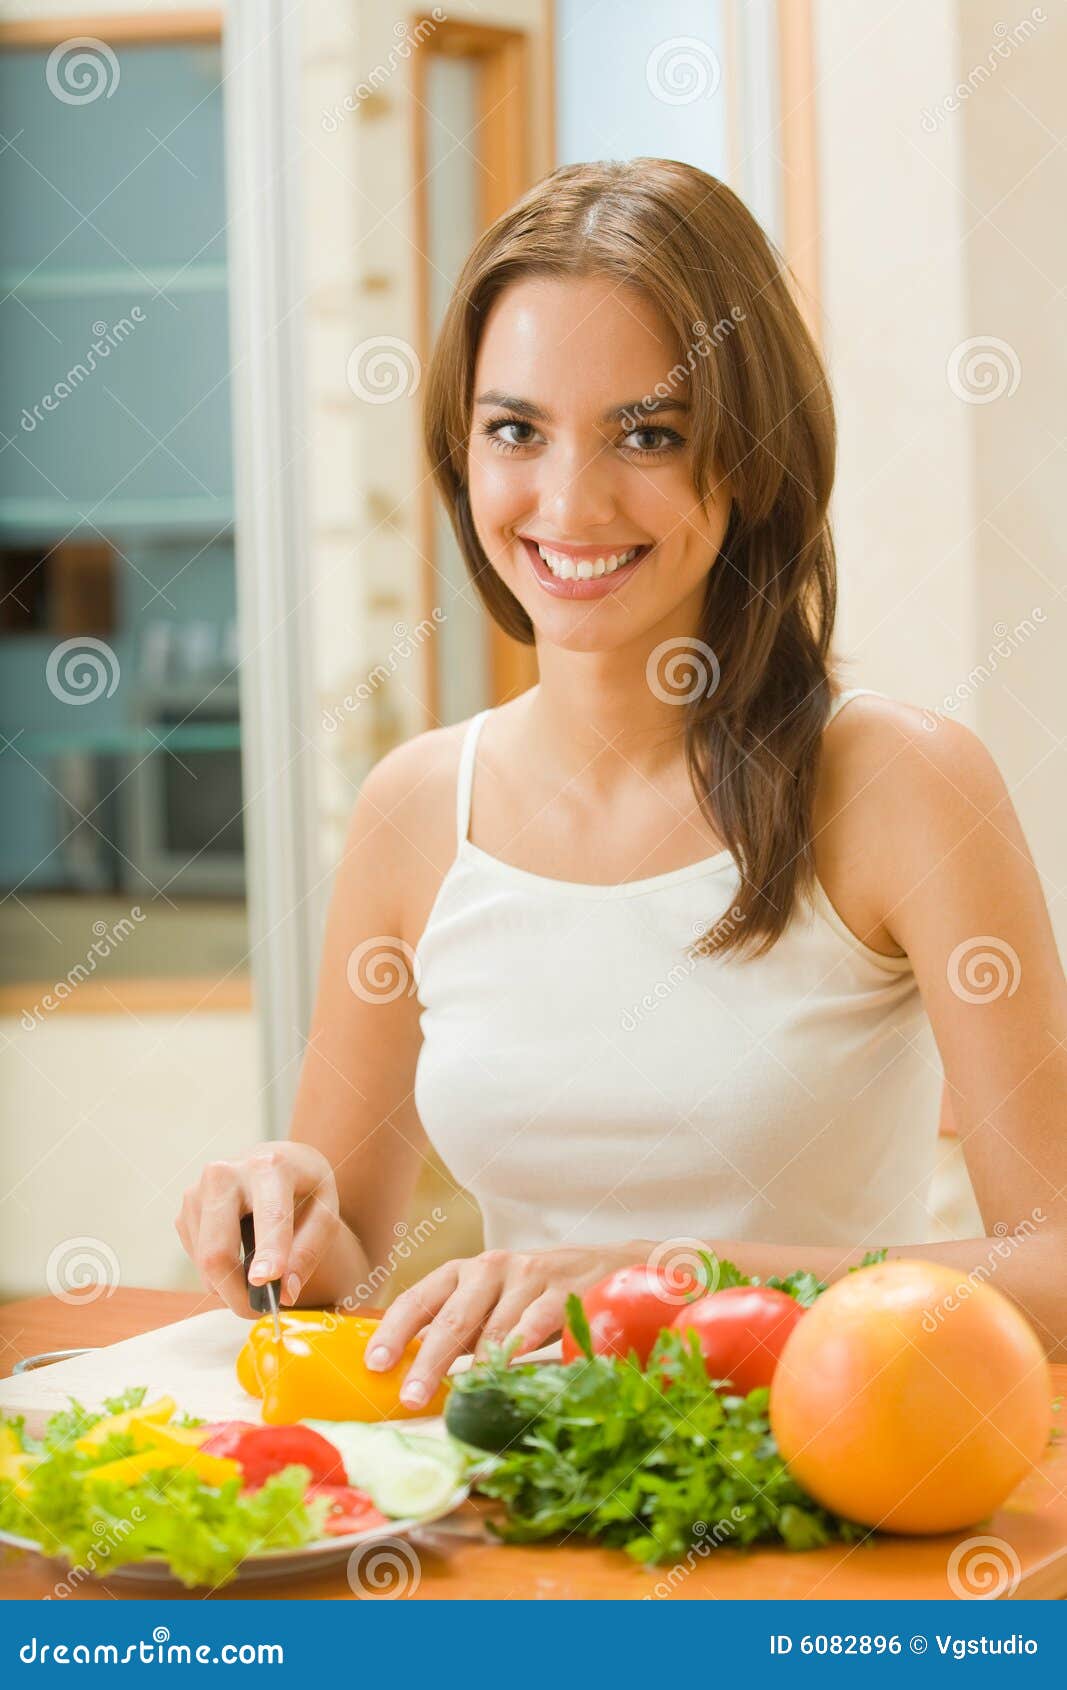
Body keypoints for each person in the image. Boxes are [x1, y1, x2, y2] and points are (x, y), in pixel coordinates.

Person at [176, 159, 1067, 1406]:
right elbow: (344, 1266)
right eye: (514, 430)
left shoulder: (897, 784)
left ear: (750, 459)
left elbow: (1055, 1271)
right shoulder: (417, 807)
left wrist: (672, 1281)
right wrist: (282, 1218)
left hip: (811, 1487)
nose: (568, 500)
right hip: (506, 1501)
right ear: (460, 451)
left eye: (646, 434)